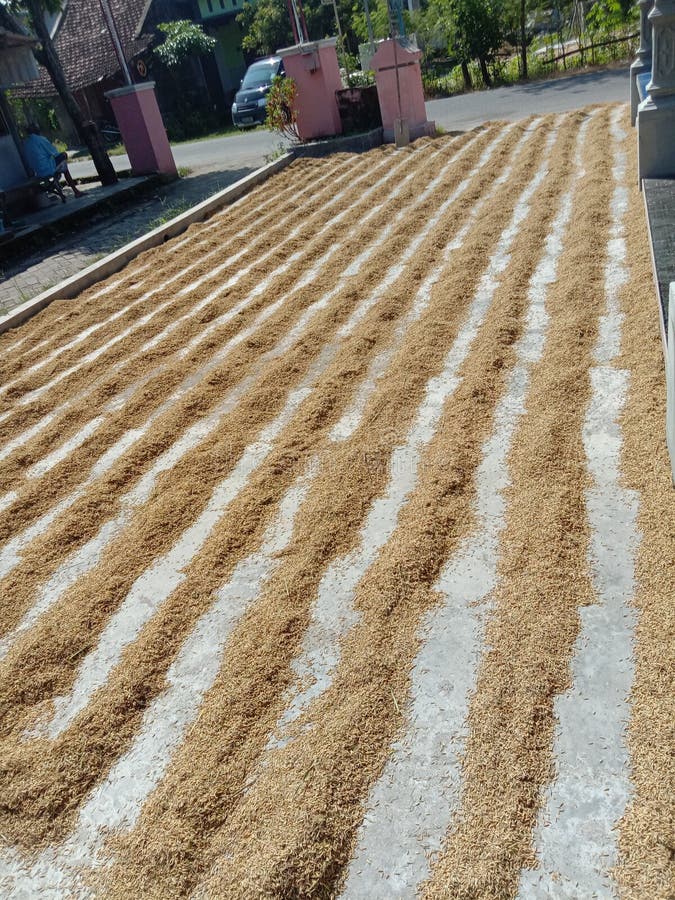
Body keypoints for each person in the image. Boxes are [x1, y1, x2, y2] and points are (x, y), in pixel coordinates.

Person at [22, 123, 83, 198]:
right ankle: (75, 191)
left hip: (38, 172)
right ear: (37, 131)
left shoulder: (25, 143)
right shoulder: (40, 139)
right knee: (63, 156)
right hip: (47, 169)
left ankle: (57, 181)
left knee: (59, 163)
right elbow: (55, 153)